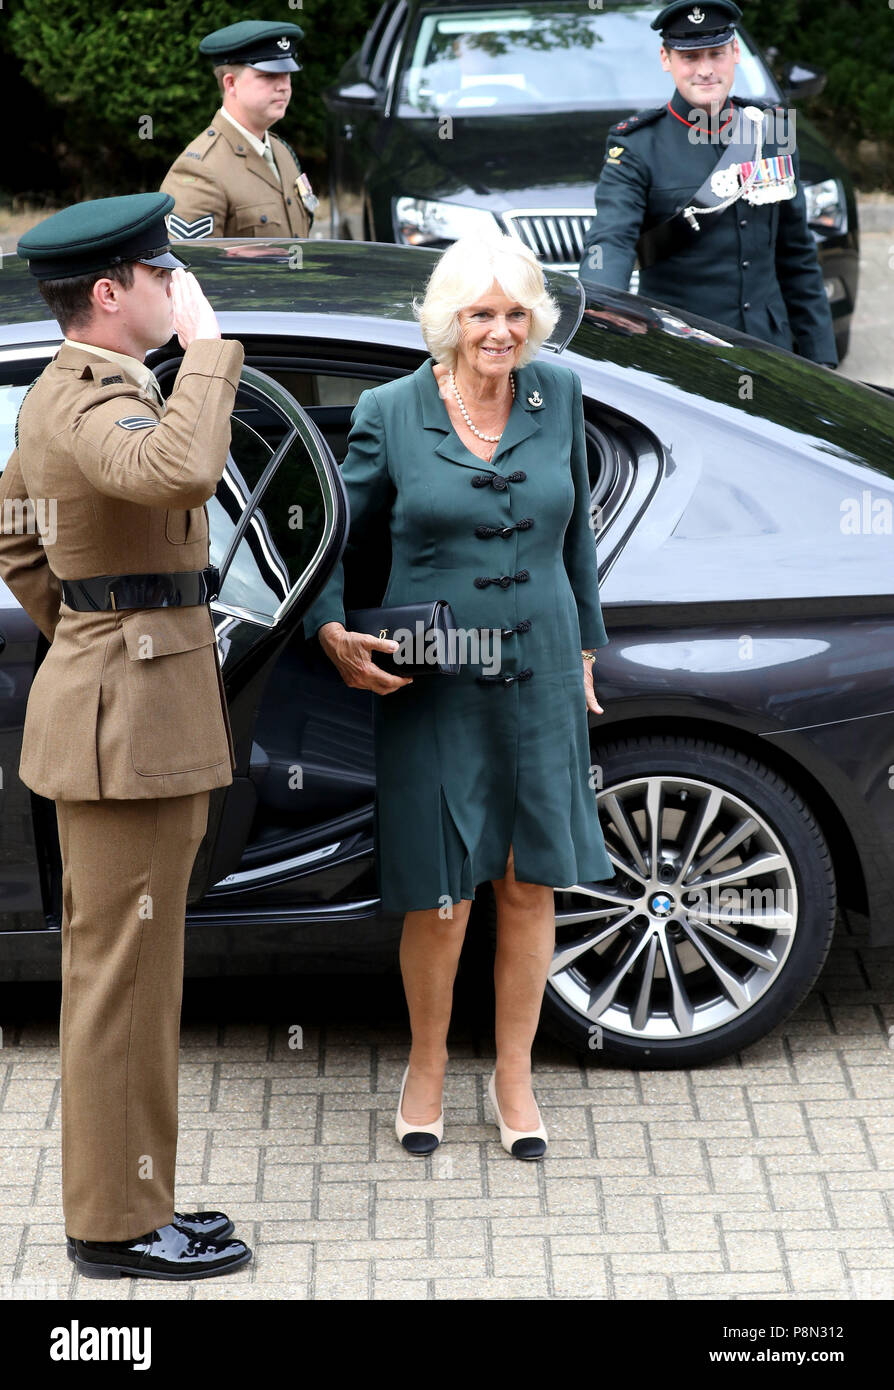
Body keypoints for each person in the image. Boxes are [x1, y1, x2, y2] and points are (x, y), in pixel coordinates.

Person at [301, 234, 613, 1162]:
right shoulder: (390, 411)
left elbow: (577, 537)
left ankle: (514, 1074)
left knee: (528, 884)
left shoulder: (559, 396)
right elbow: (333, 533)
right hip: (437, 673)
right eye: (481, 313)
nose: (500, 330)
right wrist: (328, 629)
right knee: (441, 893)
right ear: (447, 322)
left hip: (544, 665)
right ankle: (428, 1064)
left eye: (516, 313)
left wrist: (589, 646)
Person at [0, 192, 252, 1280]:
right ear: (111, 293)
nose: (174, 287)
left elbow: (16, 537)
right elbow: (177, 474)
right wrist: (209, 349)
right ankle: (112, 1225)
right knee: (122, 983)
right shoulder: (96, 398)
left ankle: (133, 1197)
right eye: (160, 276)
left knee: (134, 976)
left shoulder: (74, 391)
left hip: (122, 714)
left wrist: (87, 634)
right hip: (129, 730)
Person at [578, 0, 838, 367]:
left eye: (716, 54)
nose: (705, 70)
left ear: (735, 53)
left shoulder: (772, 132)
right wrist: (602, 306)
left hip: (771, 351)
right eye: (690, 57)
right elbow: (611, 238)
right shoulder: (637, 145)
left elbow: (796, 255)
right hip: (683, 354)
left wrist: (820, 358)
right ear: (666, 58)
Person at [160, 20, 317, 241]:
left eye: (287, 74)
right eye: (269, 76)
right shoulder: (200, 170)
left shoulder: (281, 153)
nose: (284, 86)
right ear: (231, 84)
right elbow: (193, 267)